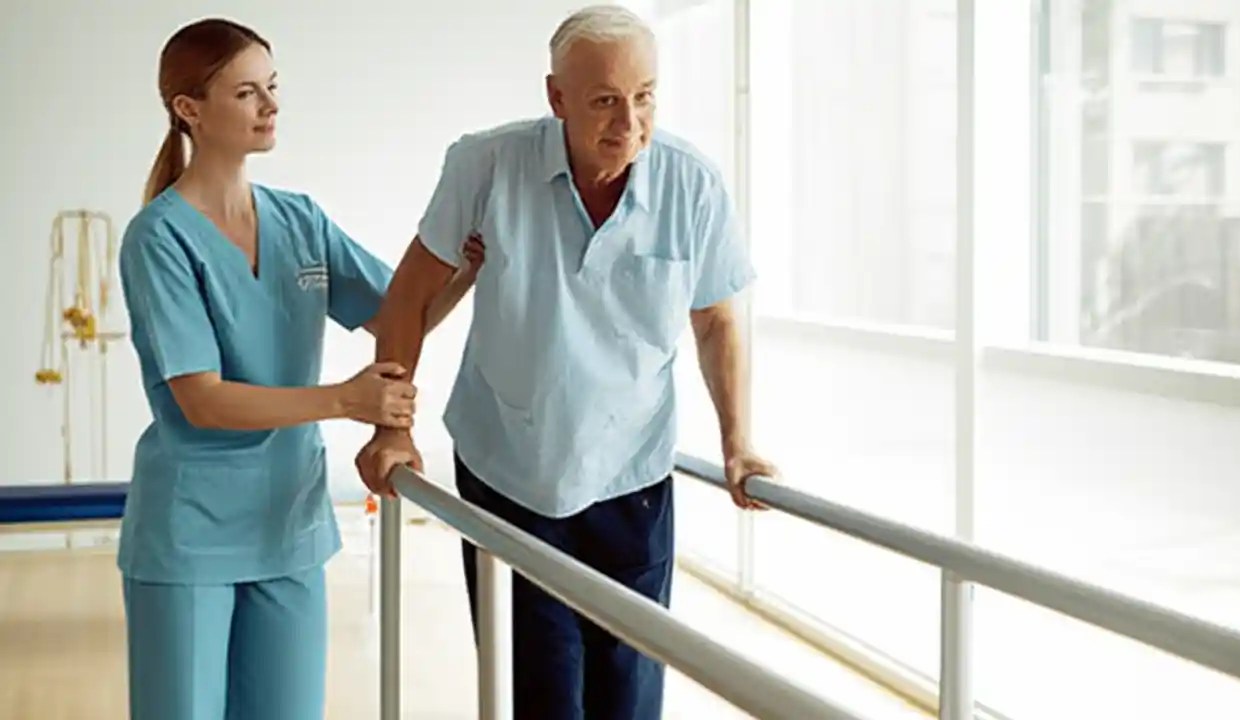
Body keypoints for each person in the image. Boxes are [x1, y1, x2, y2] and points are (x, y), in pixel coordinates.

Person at [356, 5, 778, 718]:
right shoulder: (487, 165)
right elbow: (408, 298)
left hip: (631, 477)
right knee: (542, 693)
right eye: (605, 100)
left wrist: (738, 443)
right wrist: (391, 427)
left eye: (645, 97)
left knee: (629, 695)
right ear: (556, 98)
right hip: (509, 470)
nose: (629, 123)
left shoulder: (692, 185)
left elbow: (716, 322)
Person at [115, 18, 482, 720]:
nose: (271, 105)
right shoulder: (159, 238)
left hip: (288, 525)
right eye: (246, 92)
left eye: (273, 87)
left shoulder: (301, 221)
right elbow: (203, 400)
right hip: (192, 534)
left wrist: (468, 268)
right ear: (189, 109)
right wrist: (345, 401)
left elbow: (398, 314)